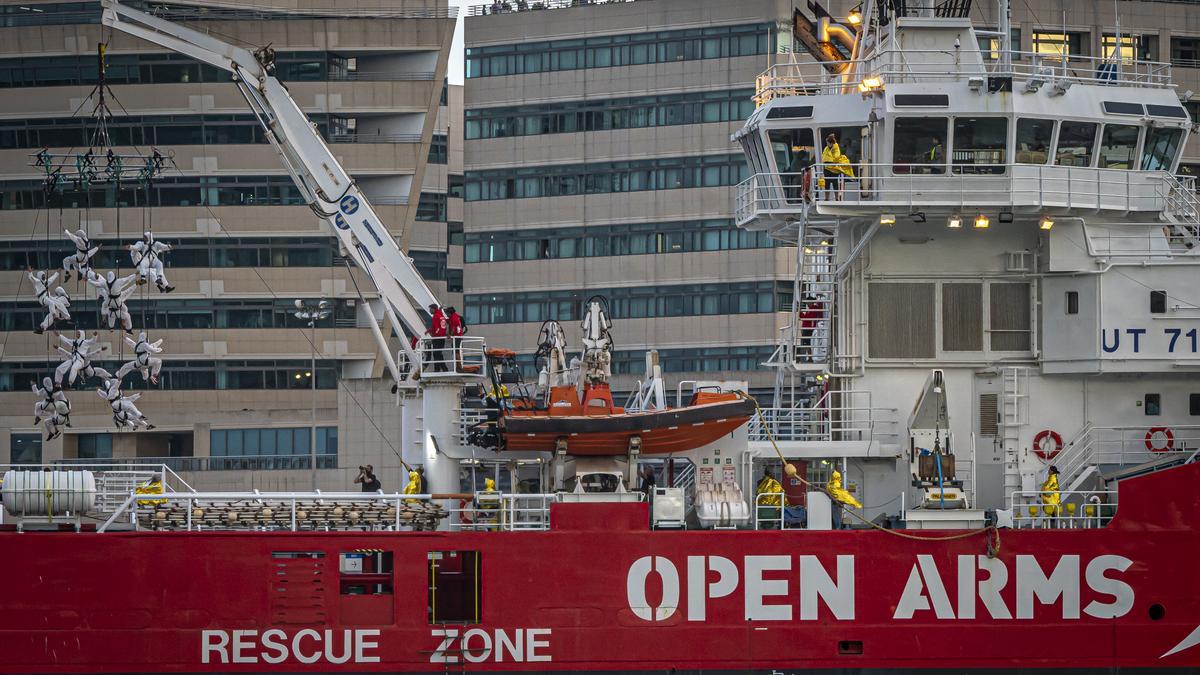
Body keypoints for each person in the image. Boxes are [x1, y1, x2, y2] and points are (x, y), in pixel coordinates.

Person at [821, 133, 854, 200]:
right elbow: (824, 157)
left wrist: (829, 158)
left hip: (834, 169)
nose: (827, 144)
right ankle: (826, 198)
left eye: (827, 143)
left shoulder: (836, 148)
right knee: (826, 184)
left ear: (831, 143)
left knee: (835, 183)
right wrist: (829, 158)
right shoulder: (826, 148)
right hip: (827, 168)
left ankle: (837, 198)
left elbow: (836, 157)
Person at [428, 303, 448, 372]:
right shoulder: (440, 315)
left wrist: (435, 335)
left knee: (436, 353)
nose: (429, 310)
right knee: (438, 353)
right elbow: (439, 326)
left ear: (434, 309)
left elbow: (437, 328)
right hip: (442, 337)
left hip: (438, 338)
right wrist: (429, 330)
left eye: (430, 309)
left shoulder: (436, 316)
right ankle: (442, 368)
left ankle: (439, 369)